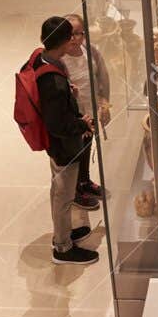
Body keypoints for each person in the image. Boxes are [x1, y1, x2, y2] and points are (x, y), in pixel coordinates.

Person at [26, 16, 98, 265]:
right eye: (72, 37)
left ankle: (64, 233)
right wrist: (82, 124)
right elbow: (58, 125)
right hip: (63, 148)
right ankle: (63, 248)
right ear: (66, 42)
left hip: (56, 146)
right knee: (64, 196)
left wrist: (70, 92)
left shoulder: (40, 57)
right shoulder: (54, 83)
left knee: (59, 191)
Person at [63, 13, 111, 209]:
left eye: (78, 33)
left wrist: (105, 103)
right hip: (73, 118)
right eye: (69, 34)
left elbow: (103, 76)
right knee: (74, 154)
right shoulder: (61, 59)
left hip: (89, 113)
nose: (74, 39)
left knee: (86, 148)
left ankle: (84, 181)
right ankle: (73, 191)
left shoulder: (90, 51)